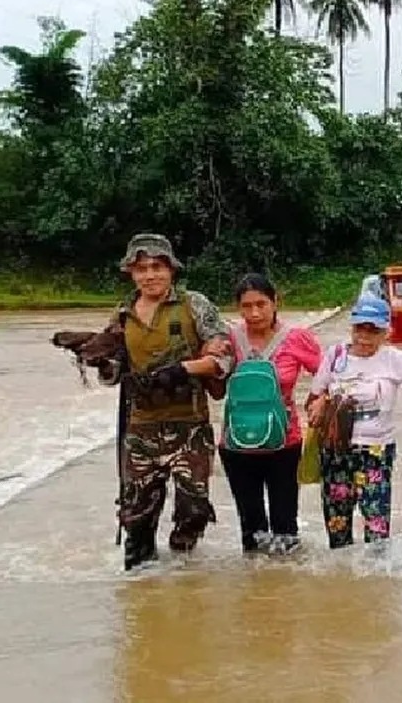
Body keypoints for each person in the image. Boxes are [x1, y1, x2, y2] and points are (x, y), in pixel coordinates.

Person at [70, 233, 235, 570]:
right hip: (141, 429)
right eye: (142, 268)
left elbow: (223, 356)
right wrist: (97, 359)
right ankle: (143, 589)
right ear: (131, 272)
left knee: (194, 507)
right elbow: (114, 376)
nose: (150, 275)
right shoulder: (123, 315)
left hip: (189, 426)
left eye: (157, 267)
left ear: (171, 269)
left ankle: (183, 566)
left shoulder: (194, 306)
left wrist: (181, 370)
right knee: (138, 517)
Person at [307, 296, 402, 549]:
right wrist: (319, 403)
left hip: (376, 453)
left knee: (377, 532)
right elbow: (314, 398)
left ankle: (377, 583)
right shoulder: (335, 355)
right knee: (337, 530)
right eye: (359, 327)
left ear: (387, 331)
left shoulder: (394, 359)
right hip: (335, 453)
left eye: (373, 330)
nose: (364, 336)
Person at [218, 273, 323, 556]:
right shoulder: (227, 339)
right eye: (247, 306)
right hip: (236, 445)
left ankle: (284, 591)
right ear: (238, 308)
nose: (254, 313)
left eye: (261, 304)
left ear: (275, 302)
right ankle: (257, 592)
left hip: (284, 444)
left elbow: (328, 375)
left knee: (285, 527)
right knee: (251, 531)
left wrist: (319, 401)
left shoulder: (297, 339)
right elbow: (212, 379)